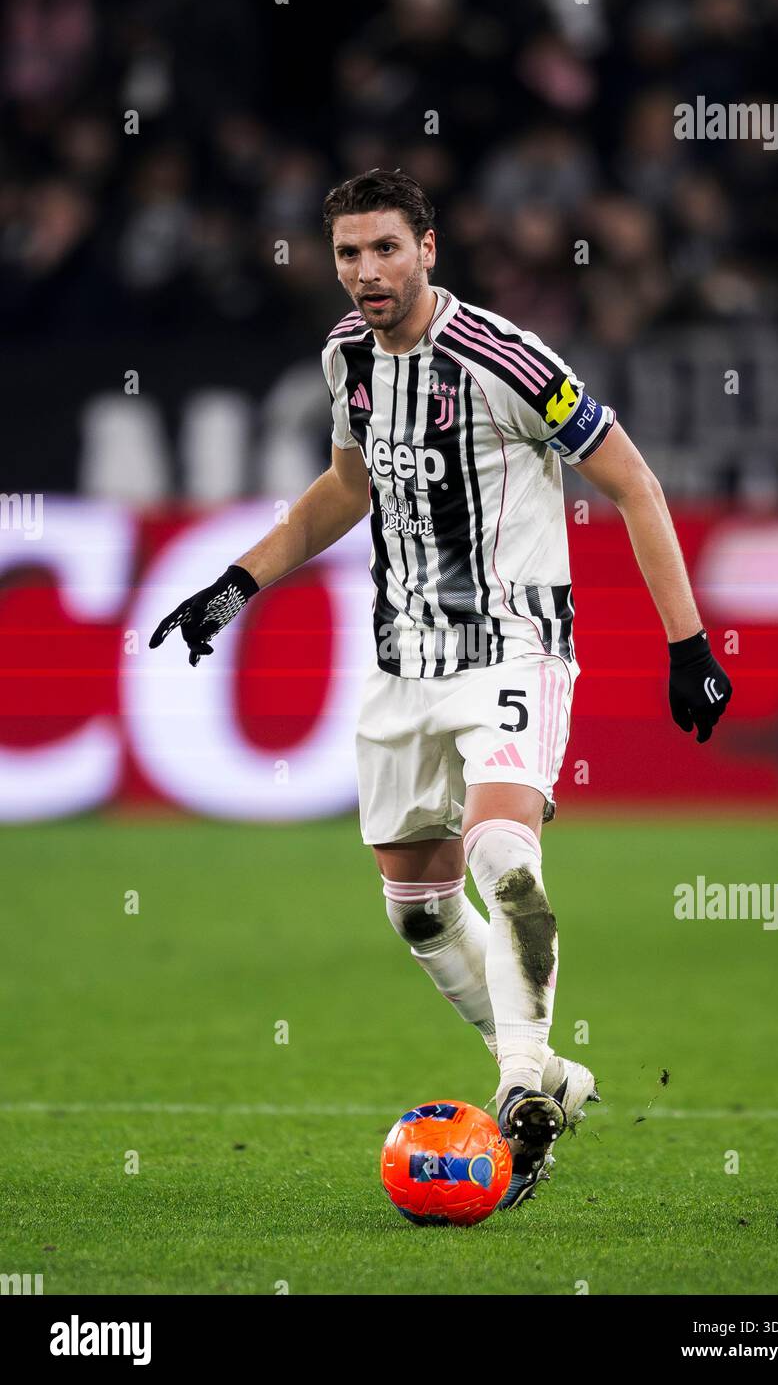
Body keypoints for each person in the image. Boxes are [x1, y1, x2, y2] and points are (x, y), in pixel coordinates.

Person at [149, 168, 732, 1210]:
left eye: (384, 248)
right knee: (417, 911)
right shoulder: (344, 359)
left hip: (511, 647)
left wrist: (686, 643)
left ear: (428, 248)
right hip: (399, 661)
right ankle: (554, 1078)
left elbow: (631, 481)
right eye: (346, 252)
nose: (365, 271)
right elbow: (344, 488)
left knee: (502, 853)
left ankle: (517, 1087)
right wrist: (234, 585)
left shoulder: (505, 358)